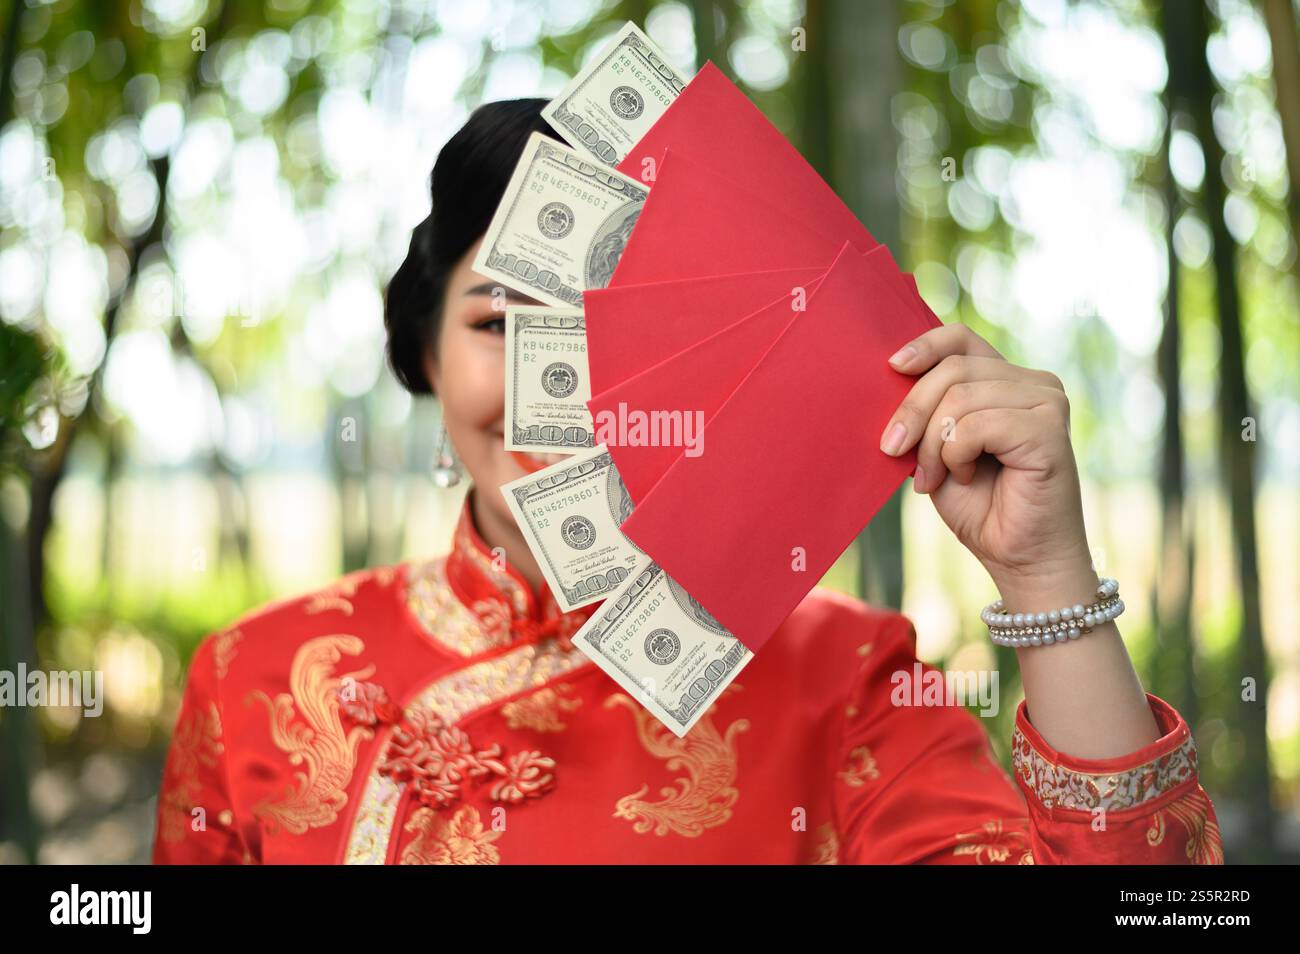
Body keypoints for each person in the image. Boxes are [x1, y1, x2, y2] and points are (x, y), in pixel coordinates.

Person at [152, 99, 1222, 865]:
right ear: (421, 355)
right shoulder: (252, 678)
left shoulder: (846, 678)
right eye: (496, 322)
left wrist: (1043, 575)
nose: (555, 383)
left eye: (609, 321)